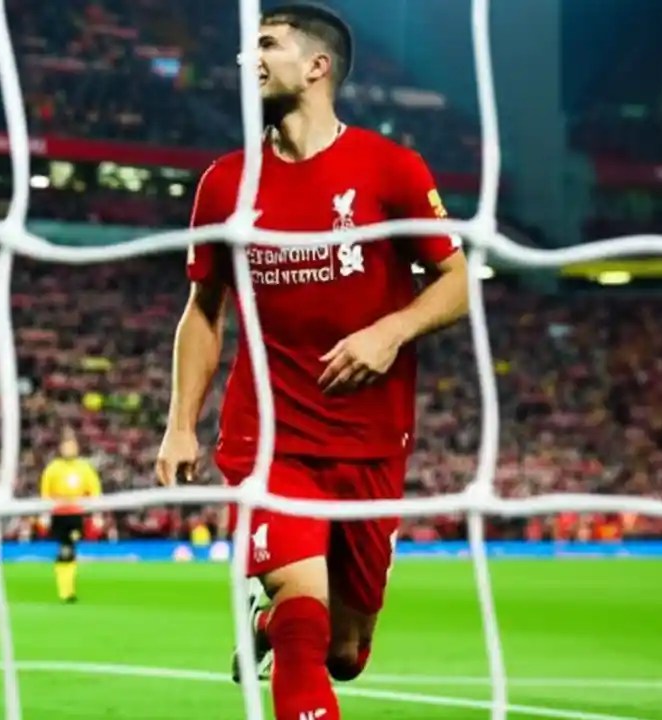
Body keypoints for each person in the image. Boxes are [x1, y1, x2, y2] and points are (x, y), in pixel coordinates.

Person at [155, 3, 469, 718]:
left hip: (370, 442)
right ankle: (284, 621)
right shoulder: (225, 183)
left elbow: (456, 284)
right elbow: (203, 310)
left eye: (267, 44)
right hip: (268, 438)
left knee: (344, 652)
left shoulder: (390, 169)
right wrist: (180, 424)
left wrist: (391, 330)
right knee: (305, 617)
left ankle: (267, 623)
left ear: (318, 66)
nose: (250, 58)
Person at [39, 428, 102, 603]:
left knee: (70, 550)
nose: (69, 449)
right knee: (65, 549)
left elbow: (95, 491)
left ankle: (68, 589)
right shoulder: (53, 468)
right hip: (59, 515)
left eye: (72, 445)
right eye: (66, 446)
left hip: (76, 514)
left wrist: (97, 514)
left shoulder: (84, 468)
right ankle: (65, 591)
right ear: (61, 448)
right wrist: (44, 515)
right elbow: (45, 492)